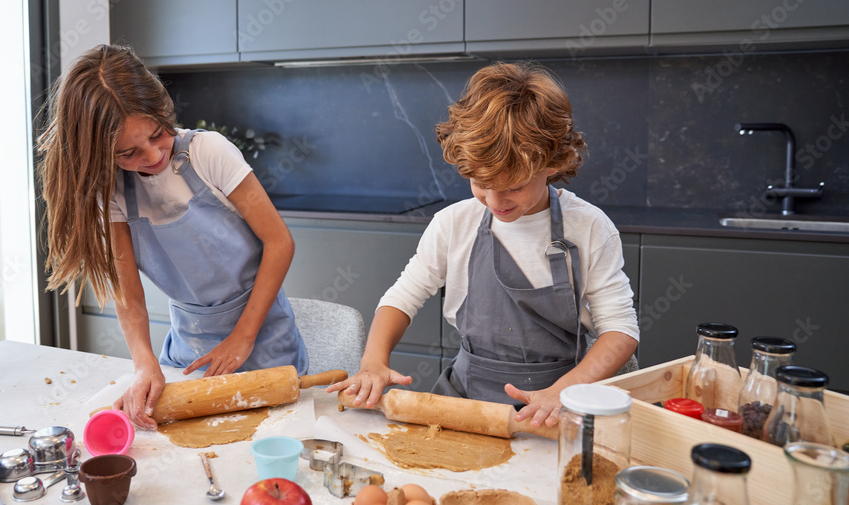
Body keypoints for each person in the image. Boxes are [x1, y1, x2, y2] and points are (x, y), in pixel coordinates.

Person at [328, 62, 639, 431]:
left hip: (556, 410)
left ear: (552, 163)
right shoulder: (454, 224)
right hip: (465, 405)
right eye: (479, 182)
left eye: (514, 186)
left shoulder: (588, 227)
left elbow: (621, 330)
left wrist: (564, 391)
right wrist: (374, 362)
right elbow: (402, 298)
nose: (494, 200)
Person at [39, 44, 308, 429]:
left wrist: (242, 338)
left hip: (264, 341)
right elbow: (127, 293)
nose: (151, 156)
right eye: (127, 153)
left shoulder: (208, 153)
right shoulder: (114, 190)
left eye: (157, 133)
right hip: (188, 351)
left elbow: (280, 242)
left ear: (163, 108)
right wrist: (144, 364)